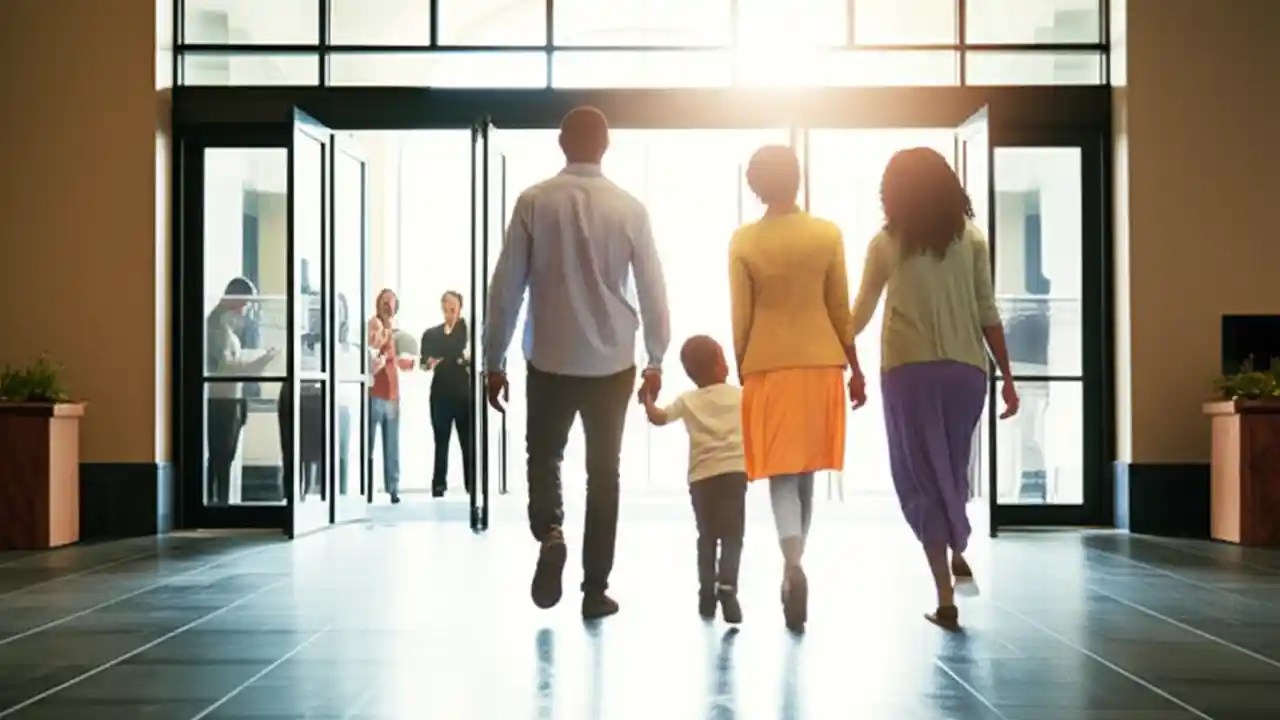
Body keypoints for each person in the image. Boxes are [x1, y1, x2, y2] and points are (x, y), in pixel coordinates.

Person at [484, 106, 670, 620]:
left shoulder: (534, 201)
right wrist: (656, 358)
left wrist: (492, 358)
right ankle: (595, 589)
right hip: (613, 362)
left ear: (562, 145)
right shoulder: (630, 208)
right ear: (605, 146)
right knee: (603, 473)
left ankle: (550, 532)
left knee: (544, 458)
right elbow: (653, 289)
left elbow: (507, 289)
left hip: (549, 357)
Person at [849, 147, 1020, 631]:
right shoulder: (972, 240)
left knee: (920, 476)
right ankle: (956, 541)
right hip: (967, 373)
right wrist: (1008, 378)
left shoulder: (886, 244)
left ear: (893, 193)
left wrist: (845, 359)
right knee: (952, 464)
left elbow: (857, 315)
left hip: (909, 371)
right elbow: (988, 313)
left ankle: (946, 595)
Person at [729, 145, 865, 633]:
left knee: (781, 473)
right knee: (806, 469)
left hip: (768, 362)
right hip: (822, 361)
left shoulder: (744, 241)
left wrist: (743, 362)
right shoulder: (826, 234)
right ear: (798, 180)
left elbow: (741, 315)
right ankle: (795, 563)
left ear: (756, 187)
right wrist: (855, 366)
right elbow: (839, 306)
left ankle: (792, 565)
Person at [643, 335, 746, 625]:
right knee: (733, 535)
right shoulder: (740, 395)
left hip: (701, 479)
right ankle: (727, 586)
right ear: (717, 368)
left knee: (707, 536)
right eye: (723, 359)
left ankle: (706, 595)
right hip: (735, 474)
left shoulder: (687, 400)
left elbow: (659, 418)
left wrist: (647, 400)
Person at [205, 277, 277, 505]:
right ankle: (220, 504)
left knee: (224, 457)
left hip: (230, 398)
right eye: (245, 303)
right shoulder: (217, 326)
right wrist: (262, 361)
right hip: (222, 400)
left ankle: (221, 502)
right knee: (222, 457)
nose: (246, 310)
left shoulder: (226, 327)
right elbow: (228, 367)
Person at [421, 290, 474, 497]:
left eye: (453, 304)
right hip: (441, 394)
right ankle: (439, 484)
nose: (449, 308)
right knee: (441, 441)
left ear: (460, 307)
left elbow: (471, 354)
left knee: (467, 441)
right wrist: (430, 363)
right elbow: (424, 362)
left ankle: (471, 484)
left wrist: (465, 360)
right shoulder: (432, 334)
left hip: (463, 394)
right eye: (445, 304)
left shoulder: (466, 331)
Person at [369, 288, 416, 505]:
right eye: (385, 303)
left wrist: (404, 362)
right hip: (374, 393)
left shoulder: (394, 332)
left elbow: (391, 359)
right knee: (368, 444)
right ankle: (366, 487)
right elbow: (374, 346)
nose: (389, 307)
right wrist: (386, 330)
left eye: (392, 304)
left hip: (393, 394)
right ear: (378, 305)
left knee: (392, 445)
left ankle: (393, 487)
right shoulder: (375, 325)